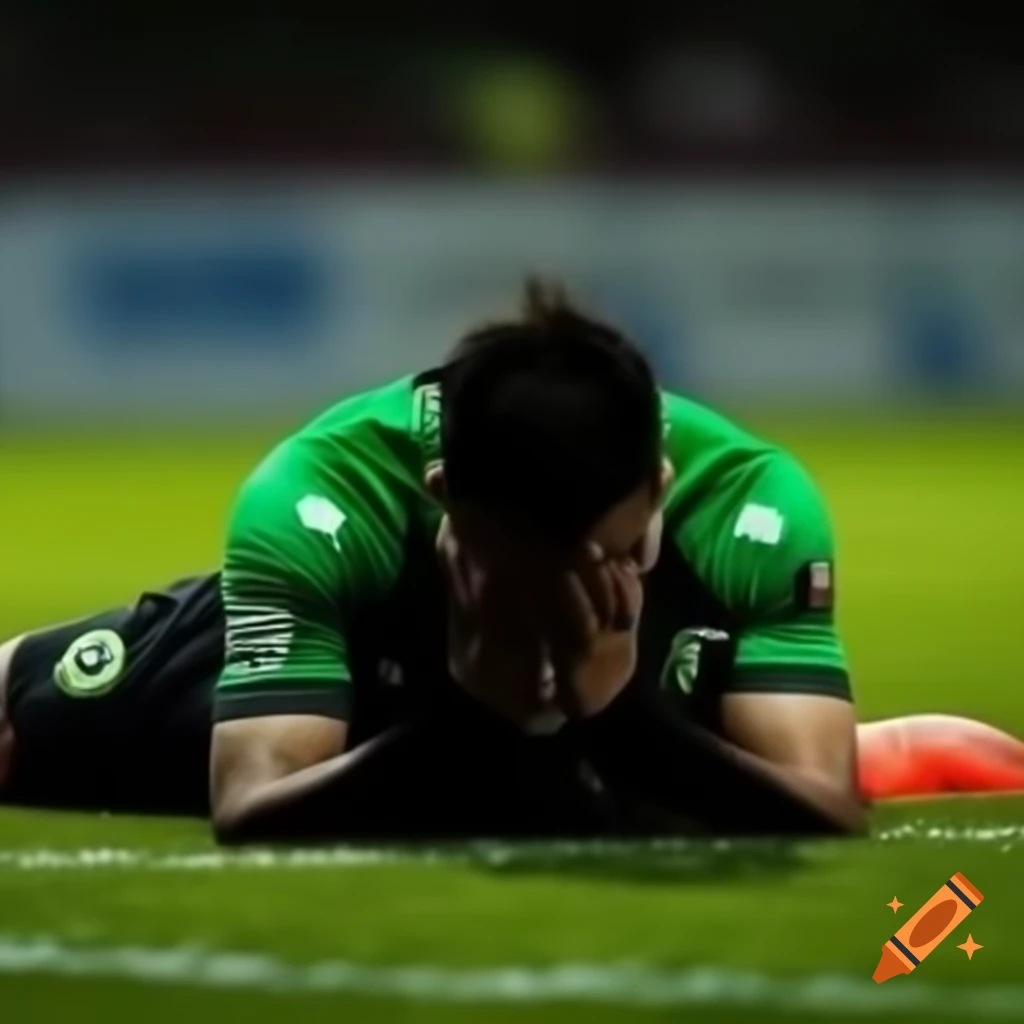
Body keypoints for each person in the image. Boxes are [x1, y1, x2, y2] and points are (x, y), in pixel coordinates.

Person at [1, 280, 1016, 838]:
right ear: (444, 501)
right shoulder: (319, 499)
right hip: (330, 688)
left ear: (659, 485)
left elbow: (820, 807)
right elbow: (254, 805)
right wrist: (474, 715)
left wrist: (613, 707)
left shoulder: (748, 501)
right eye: (526, 563)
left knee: (944, 751)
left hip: (637, 707)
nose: (566, 589)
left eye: (606, 553)